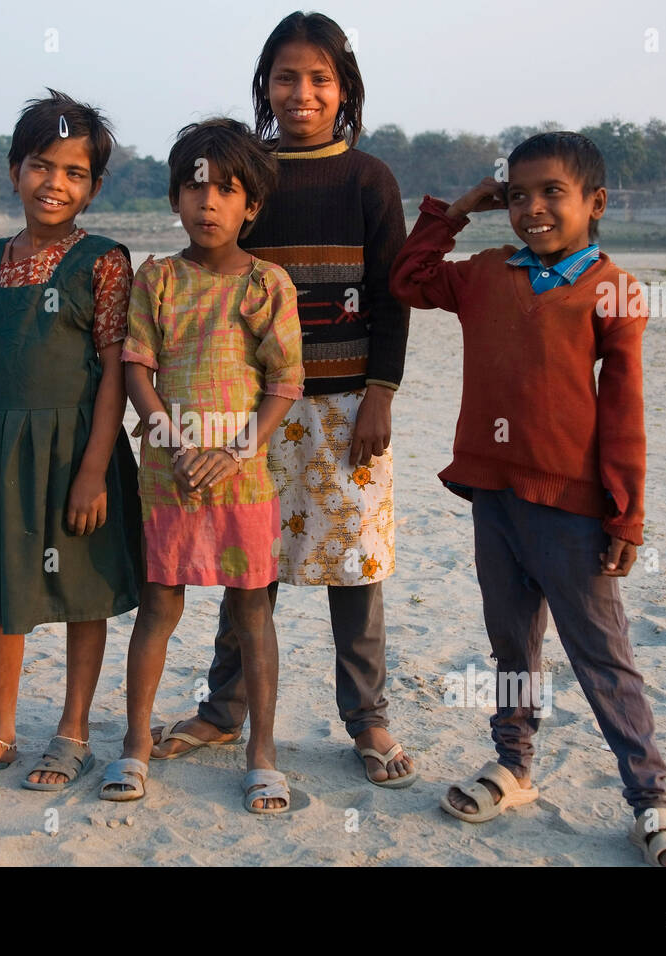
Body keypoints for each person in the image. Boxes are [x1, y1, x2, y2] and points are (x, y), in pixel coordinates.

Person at [388, 131, 666, 866]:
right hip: (494, 496)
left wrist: (626, 513)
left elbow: (623, 410)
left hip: (573, 508)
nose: (531, 208)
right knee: (511, 642)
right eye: (518, 194)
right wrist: (458, 208)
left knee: (602, 655)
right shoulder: (487, 273)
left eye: (551, 193)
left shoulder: (613, 289)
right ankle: (514, 766)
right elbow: (408, 279)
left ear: (595, 202)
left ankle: (651, 800)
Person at [150, 11, 416, 789]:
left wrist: (381, 392)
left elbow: (393, 294)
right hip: (252, 408)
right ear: (264, 85)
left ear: (345, 88)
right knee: (249, 564)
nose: (303, 92)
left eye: (320, 78)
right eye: (286, 77)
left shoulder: (369, 179)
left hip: (346, 406)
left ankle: (367, 718)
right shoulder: (246, 174)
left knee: (355, 564)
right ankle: (223, 708)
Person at [0, 90, 142, 792]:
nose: (56, 183)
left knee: (83, 590)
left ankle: (73, 731)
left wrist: (95, 469)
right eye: (42, 166)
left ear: (94, 187)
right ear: (14, 170)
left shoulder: (104, 261)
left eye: (75, 173)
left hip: (80, 448)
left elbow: (115, 368)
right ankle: (0, 732)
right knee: (5, 588)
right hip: (3, 450)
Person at [100, 118, 304, 813]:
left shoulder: (268, 284)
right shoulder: (158, 278)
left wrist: (233, 450)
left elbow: (285, 382)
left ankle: (262, 753)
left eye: (226, 190)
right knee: (159, 605)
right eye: (194, 188)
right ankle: (134, 743)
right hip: (169, 473)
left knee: (252, 611)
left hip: (243, 475)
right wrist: (173, 438)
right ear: (174, 198)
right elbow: (137, 366)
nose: (208, 202)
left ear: (252, 205)